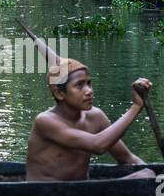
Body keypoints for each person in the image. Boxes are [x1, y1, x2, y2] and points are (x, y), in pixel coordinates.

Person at [25, 56, 156, 182]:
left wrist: (158, 175)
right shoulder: (45, 121)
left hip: (81, 192)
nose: (89, 91)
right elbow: (98, 145)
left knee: (148, 174)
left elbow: (127, 158)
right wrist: (136, 107)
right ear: (59, 93)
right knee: (146, 175)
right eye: (79, 85)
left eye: (89, 83)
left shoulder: (95, 117)